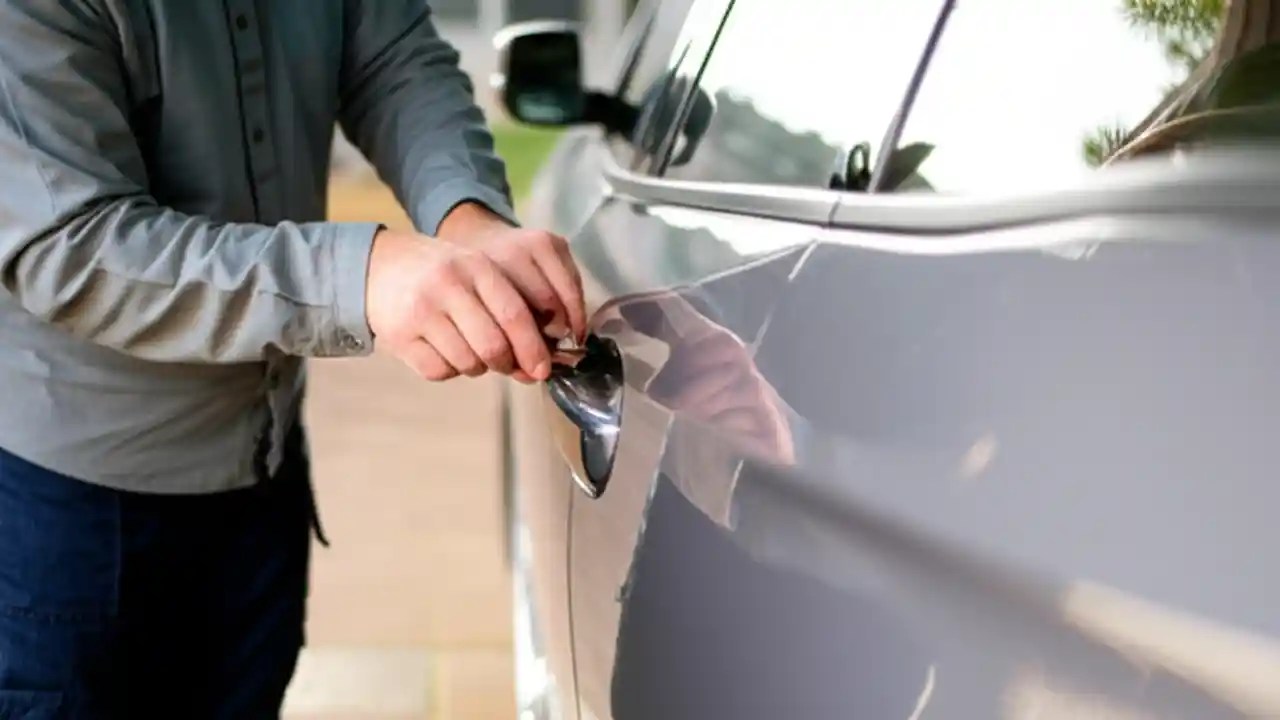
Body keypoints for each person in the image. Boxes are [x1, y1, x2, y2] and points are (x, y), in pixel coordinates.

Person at [0, 1, 586, 716]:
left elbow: (391, 58)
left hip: (264, 473)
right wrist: (359, 277)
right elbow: (69, 244)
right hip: (69, 520)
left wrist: (468, 217)